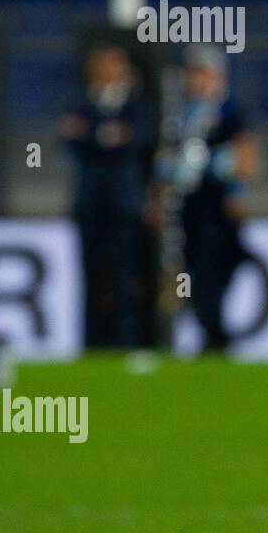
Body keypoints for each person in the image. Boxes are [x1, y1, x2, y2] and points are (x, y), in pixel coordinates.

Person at [59, 44, 155, 348]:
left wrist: (95, 134)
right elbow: (71, 138)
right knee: (90, 274)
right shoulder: (80, 102)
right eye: (101, 64)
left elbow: (139, 139)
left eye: (112, 64)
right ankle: (91, 343)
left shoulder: (139, 103)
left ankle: (127, 341)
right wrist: (110, 135)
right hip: (89, 203)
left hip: (124, 203)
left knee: (125, 274)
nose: (106, 70)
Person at [167, 45, 259, 355]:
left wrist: (237, 192)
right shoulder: (182, 113)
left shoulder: (229, 110)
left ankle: (214, 332)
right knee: (195, 269)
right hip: (191, 203)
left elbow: (245, 153)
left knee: (220, 266)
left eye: (201, 72)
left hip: (219, 202)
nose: (196, 79)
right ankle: (212, 333)